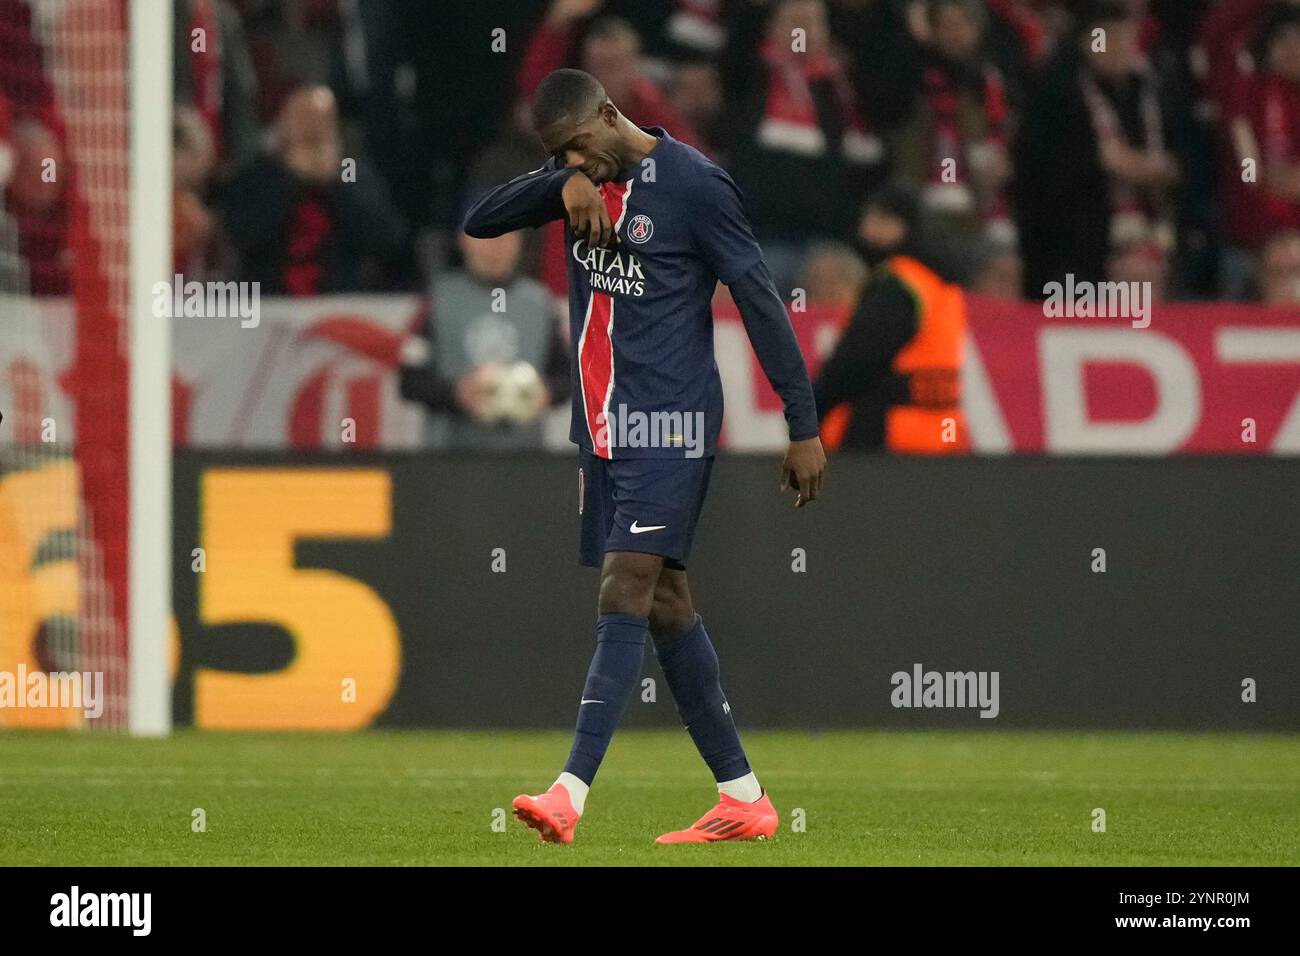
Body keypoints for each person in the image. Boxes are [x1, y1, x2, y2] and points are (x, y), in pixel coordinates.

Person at [462, 68, 826, 845]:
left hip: (673, 425)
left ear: (610, 114)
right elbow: (480, 219)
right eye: (563, 154)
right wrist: (560, 184)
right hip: (601, 429)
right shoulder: (575, 177)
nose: (581, 162)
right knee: (666, 603)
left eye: (582, 147)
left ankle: (568, 794)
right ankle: (745, 798)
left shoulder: (696, 187)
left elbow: (759, 298)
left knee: (624, 587)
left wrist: (803, 424)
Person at [813, 182, 969, 453]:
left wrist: (814, 406)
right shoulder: (943, 284)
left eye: (877, 218)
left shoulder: (898, 283)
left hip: (888, 436)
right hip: (941, 435)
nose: (866, 228)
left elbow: (858, 360)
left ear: (900, 225)